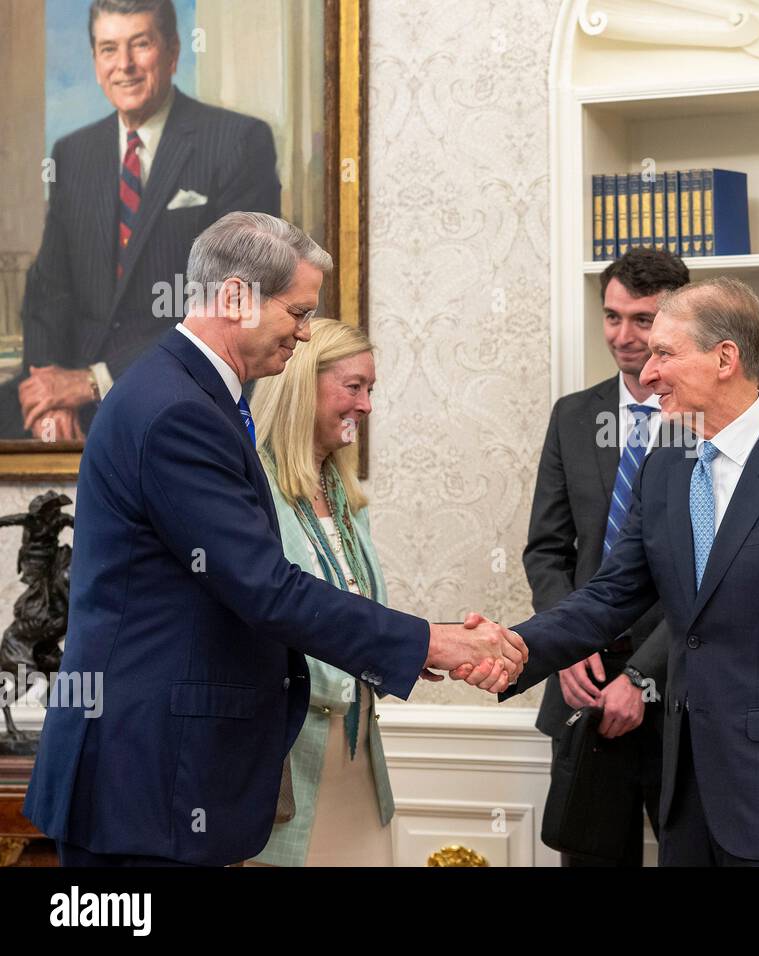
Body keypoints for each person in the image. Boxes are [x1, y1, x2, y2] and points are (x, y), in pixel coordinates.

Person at [24, 212, 523, 867]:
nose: (306, 331)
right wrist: (433, 640)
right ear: (234, 297)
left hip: (159, 778)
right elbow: (264, 587)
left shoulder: (191, 396)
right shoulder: (177, 410)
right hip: (145, 780)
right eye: (298, 311)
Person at [494, 276, 759, 866]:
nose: (647, 372)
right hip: (685, 799)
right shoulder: (663, 465)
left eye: (664, 352)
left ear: (724, 358)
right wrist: (511, 648)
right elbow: (612, 595)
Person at [3, 0, 281, 439]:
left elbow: (229, 300)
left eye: (140, 44)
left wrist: (94, 380)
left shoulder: (237, 142)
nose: (125, 65)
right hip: (71, 390)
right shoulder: (73, 153)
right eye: (109, 49)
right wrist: (45, 397)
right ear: (95, 61)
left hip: (177, 384)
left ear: (172, 53)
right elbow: (47, 291)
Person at [524, 247, 688, 867]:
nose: (624, 336)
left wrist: (644, 676)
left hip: (679, 690)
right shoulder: (574, 415)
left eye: (642, 320)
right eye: (612, 316)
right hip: (582, 690)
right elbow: (546, 550)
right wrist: (568, 641)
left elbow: (715, 576)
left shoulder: (706, 422)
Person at [242, 318, 400, 866]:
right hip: (289, 756)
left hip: (357, 754)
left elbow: (363, 613)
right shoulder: (251, 488)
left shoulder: (345, 494)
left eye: (371, 390)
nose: (366, 406)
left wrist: (424, 646)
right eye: (353, 387)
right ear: (302, 383)